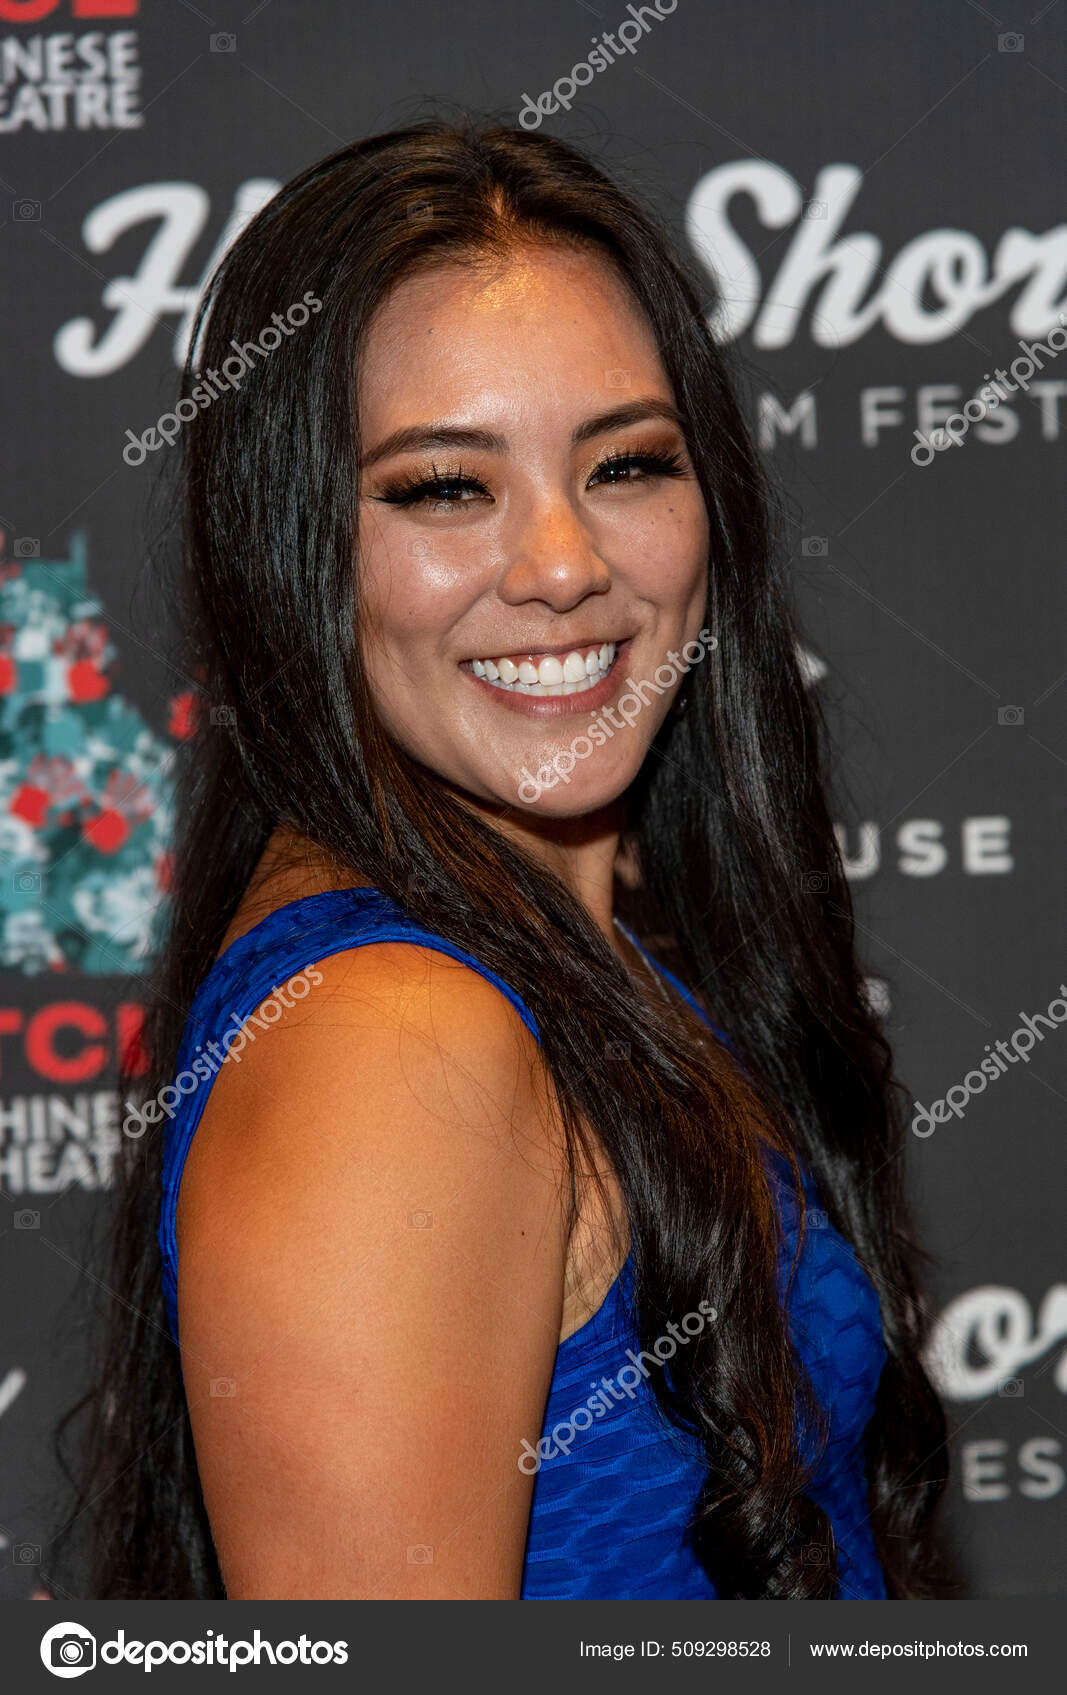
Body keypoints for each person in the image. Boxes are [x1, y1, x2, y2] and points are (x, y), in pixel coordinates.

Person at [55, 117, 953, 1602]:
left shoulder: (589, 948)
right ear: (295, 548)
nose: (560, 563)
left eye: (627, 462)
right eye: (444, 487)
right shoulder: (392, 1042)